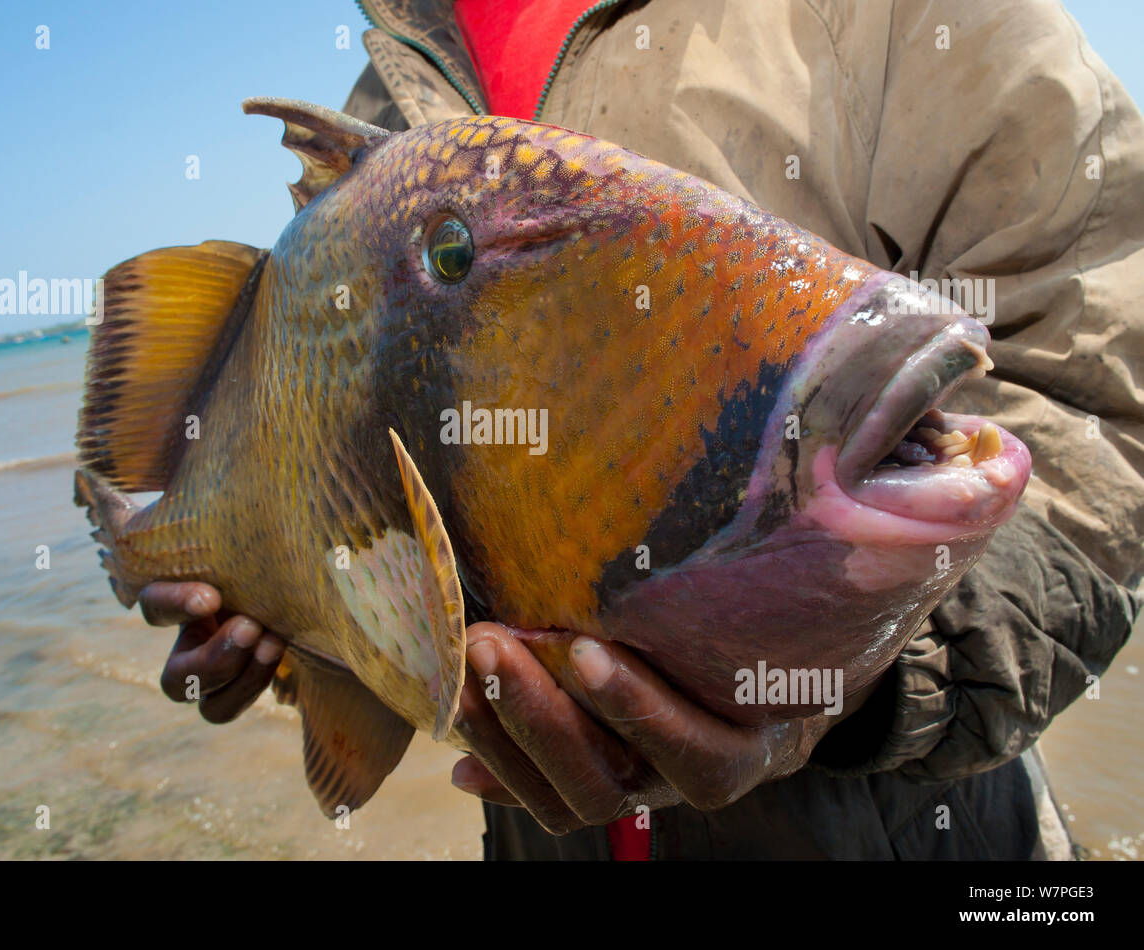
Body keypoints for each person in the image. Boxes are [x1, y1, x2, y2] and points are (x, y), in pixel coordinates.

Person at [138, 0, 1142, 859]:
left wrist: (878, 673)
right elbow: (351, 523)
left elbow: (1099, 400)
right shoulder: (393, 85)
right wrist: (285, 636)